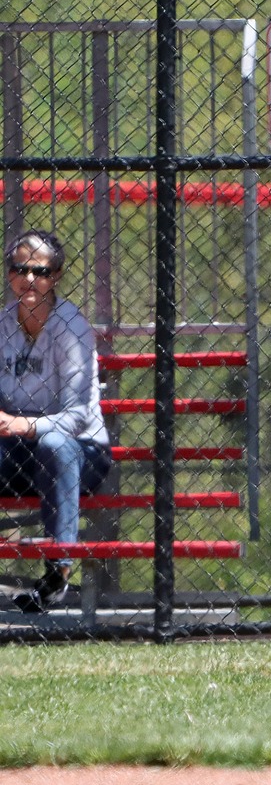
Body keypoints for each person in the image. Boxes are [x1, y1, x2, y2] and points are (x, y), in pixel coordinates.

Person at [0, 231, 111, 613]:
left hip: (80, 453)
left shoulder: (72, 329)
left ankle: (57, 573)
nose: (28, 279)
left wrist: (26, 426)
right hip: (17, 450)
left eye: (40, 271)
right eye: (19, 268)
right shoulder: (1, 325)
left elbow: (78, 416)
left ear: (57, 275)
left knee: (54, 444)